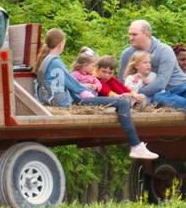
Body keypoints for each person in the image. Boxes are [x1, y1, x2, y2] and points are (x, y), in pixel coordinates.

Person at [120, 19, 186, 175]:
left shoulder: (163, 50)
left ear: (146, 34)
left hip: (181, 87)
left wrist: (140, 94)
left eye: (134, 34)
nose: (130, 37)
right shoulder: (127, 53)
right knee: (182, 103)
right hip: (160, 94)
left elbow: (161, 82)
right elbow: (121, 81)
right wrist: (124, 96)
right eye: (129, 34)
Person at [35, 28, 158, 160]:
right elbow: (74, 85)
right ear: (61, 44)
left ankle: (136, 144)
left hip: (57, 100)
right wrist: (91, 93)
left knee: (114, 100)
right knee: (123, 102)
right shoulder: (56, 62)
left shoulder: (47, 60)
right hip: (65, 103)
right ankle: (136, 145)